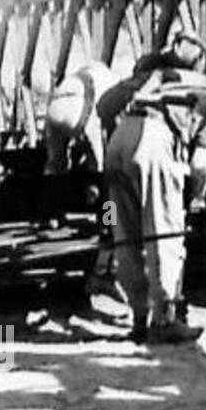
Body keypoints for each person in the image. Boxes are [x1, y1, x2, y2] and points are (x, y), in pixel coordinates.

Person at [97, 34, 206, 345]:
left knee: (124, 233)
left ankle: (139, 317)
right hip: (154, 142)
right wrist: (193, 192)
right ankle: (165, 319)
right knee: (164, 233)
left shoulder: (148, 77)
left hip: (119, 142)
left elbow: (103, 108)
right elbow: (200, 162)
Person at [44, 60, 120, 297]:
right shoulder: (113, 83)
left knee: (55, 164)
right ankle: (108, 222)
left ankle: (53, 214)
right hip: (82, 110)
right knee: (106, 178)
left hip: (56, 106)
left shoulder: (85, 72)